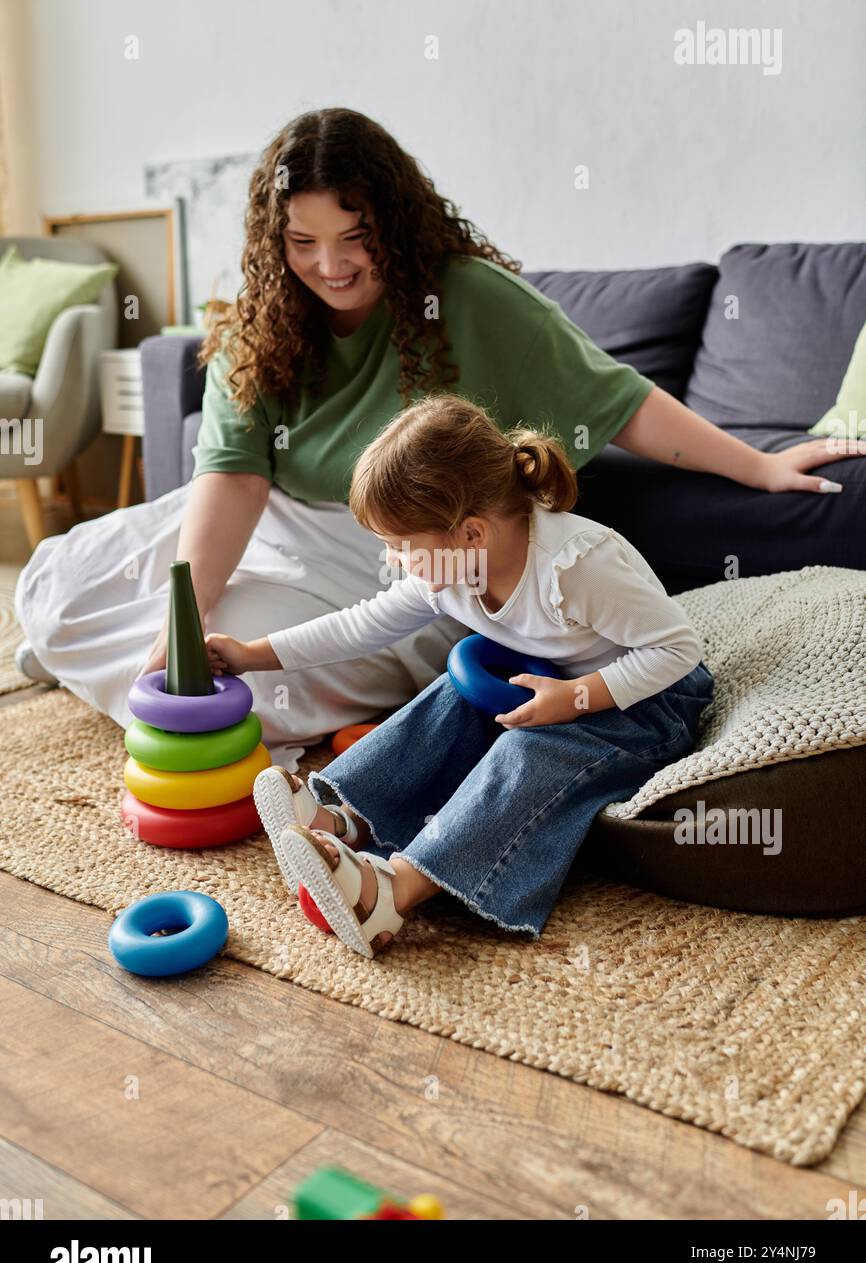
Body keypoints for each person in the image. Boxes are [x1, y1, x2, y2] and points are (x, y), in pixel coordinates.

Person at [14, 107, 863, 770]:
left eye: (355, 239)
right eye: (303, 244)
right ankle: (134, 669)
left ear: (395, 221)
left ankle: (136, 682)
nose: (332, 266)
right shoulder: (260, 325)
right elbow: (233, 483)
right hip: (270, 521)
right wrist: (187, 612)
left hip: (394, 561)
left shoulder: (471, 299)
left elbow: (620, 399)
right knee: (56, 579)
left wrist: (757, 462)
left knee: (256, 681)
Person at [207, 393, 716, 958]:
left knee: (529, 750)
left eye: (402, 547)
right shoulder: (447, 572)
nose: (395, 561)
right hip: (545, 680)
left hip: (647, 704)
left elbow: (677, 649)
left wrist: (575, 698)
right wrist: (250, 653)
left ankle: (393, 892)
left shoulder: (577, 567)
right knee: (451, 694)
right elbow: (360, 627)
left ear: (471, 535)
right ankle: (342, 816)